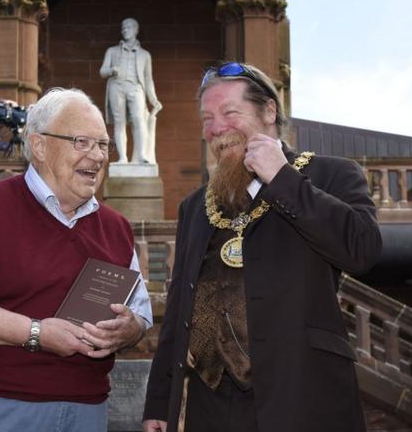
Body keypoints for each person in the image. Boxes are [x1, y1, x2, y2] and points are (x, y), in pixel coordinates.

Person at [142, 62, 382, 432]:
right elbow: (178, 308)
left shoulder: (331, 175)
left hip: (303, 397)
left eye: (229, 112)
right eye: (207, 118)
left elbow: (362, 249)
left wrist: (282, 178)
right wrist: (160, 400)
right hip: (213, 406)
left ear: (269, 110)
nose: (216, 128)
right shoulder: (195, 206)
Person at [0, 87, 153, 431]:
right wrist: (36, 333)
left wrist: (128, 328)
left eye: (103, 145)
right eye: (82, 142)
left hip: (87, 410)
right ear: (40, 146)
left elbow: (142, 313)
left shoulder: (117, 228)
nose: (98, 156)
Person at [100, 18, 162, 164]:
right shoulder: (112, 51)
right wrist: (111, 70)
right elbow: (102, 71)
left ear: (136, 30)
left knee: (139, 120)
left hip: (136, 88)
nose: (125, 30)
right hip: (117, 86)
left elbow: (148, 79)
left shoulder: (145, 55)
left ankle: (142, 155)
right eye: (123, 28)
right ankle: (123, 158)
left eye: (128, 27)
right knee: (119, 121)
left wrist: (153, 99)